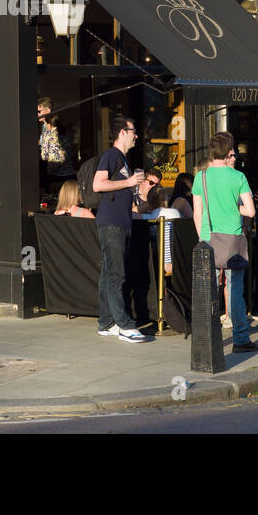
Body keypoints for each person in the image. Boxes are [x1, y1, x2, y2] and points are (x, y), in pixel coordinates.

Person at [193, 131, 258, 354]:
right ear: (229, 152)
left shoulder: (200, 177)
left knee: (208, 291)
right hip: (232, 240)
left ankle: (207, 338)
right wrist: (234, 208)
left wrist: (201, 238)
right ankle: (240, 338)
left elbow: (197, 213)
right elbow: (250, 210)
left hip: (208, 239)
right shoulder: (237, 177)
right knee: (234, 290)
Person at [92, 114, 151, 343]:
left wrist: (139, 191)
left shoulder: (123, 160)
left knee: (109, 274)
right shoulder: (111, 155)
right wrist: (128, 182)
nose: (136, 135)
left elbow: (127, 193)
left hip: (120, 223)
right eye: (133, 130)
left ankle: (106, 323)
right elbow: (98, 184)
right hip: (112, 223)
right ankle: (125, 325)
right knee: (117, 274)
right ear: (122, 133)